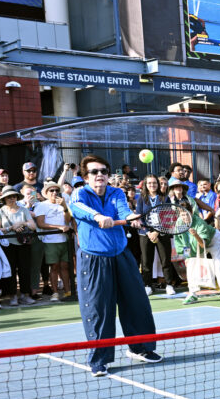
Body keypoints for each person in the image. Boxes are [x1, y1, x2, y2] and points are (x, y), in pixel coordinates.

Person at [69, 155, 161, 376]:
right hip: (93, 260)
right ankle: (99, 360)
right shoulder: (79, 193)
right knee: (99, 310)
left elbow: (123, 211)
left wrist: (132, 217)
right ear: (85, 176)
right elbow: (77, 208)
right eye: (94, 172)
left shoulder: (116, 192)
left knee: (137, 304)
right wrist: (98, 216)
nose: (99, 175)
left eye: (103, 171)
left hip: (121, 255)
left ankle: (141, 348)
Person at [0, 186, 38, 305]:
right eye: (9, 197)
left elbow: (33, 226)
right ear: (4, 199)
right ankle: (13, 295)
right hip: (8, 245)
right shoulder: (0, 211)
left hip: (23, 243)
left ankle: (25, 294)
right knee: (10, 271)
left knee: (25, 270)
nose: (11, 199)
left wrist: (22, 223)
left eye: (13, 196)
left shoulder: (24, 210)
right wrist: (11, 228)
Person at [34, 182, 74, 302]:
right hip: (50, 241)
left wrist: (65, 207)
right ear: (46, 193)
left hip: (64, 240)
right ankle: (55, 292)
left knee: (65, 266)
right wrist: (58, 227)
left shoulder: (64, 203)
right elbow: (40, 223)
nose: (54, 193)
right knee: (54, 267)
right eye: (51, 191)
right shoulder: (41, 205)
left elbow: (68, 221)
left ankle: (68, 291)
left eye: (56, 190)